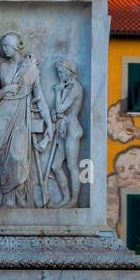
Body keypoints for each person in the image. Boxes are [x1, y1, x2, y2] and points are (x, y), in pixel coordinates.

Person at [0, 32, 53, 206]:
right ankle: (8, 198)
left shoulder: (31, 68)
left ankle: (19, 197)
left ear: (17, 46)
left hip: (20, 117)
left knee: (18, 156)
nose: (4, 49)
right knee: (3, 156)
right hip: (2, 116)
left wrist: (48, 124)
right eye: (2, 46)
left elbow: (39, 98)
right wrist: (5, 89)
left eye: (7, 45)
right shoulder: (0, 69)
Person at [49, 58, 85, 206]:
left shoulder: (76, 88)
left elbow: (61, 108)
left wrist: (57, 92)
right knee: (56, 166)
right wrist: (54, 115)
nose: (59, 75)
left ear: (68, 72)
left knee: (72, 166)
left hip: (72, 130)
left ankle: (75, 200)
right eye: (58, 72)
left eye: (61, 72)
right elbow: (59, 112)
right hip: (64, 128)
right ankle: (66, 198)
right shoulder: (66, 86)